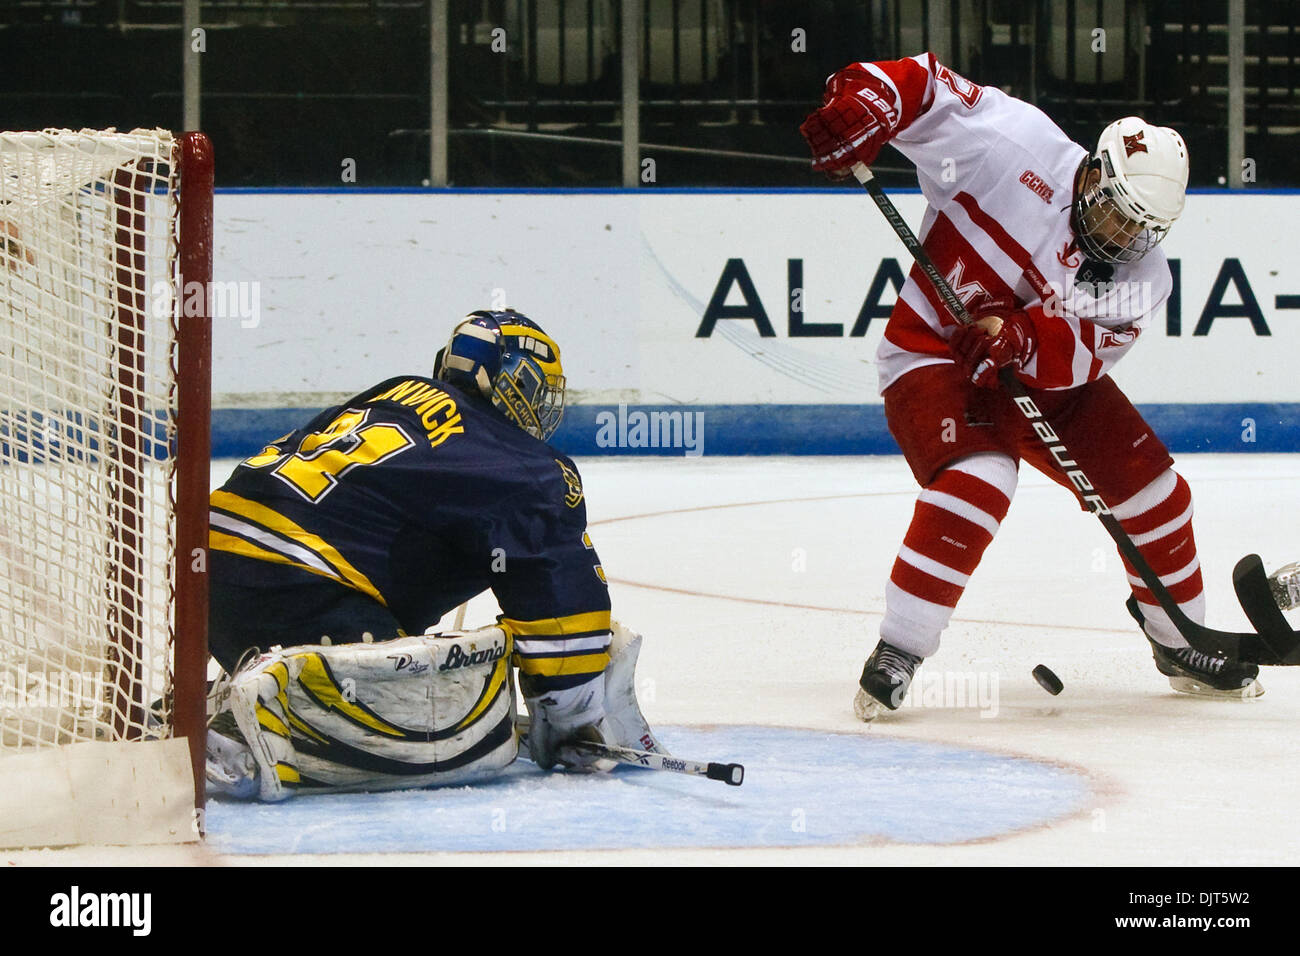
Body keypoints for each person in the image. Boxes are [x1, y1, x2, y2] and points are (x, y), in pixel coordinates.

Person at [797, 53, 1262, 717]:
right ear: (1095, 175)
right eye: (1118, 213)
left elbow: (1077, 359)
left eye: (1143, 229)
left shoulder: (1144, 278)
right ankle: (901, 647)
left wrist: (1018, 338)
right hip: (935, 353)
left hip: (1044, 382)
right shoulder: (1011, 144)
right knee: (981, 483)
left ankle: (1179, 638)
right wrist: (867, 102)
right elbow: (921, 84)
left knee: (1159, 493)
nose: (1124, 236)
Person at [204, 309, 652, 799]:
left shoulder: (395, 392)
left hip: (209, 572)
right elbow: (560, 593)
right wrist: (574, 718)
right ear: (515, 382)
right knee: (456, 721)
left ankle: (214, 695)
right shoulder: (526, 465)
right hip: (299, 582)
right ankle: (261, 723)